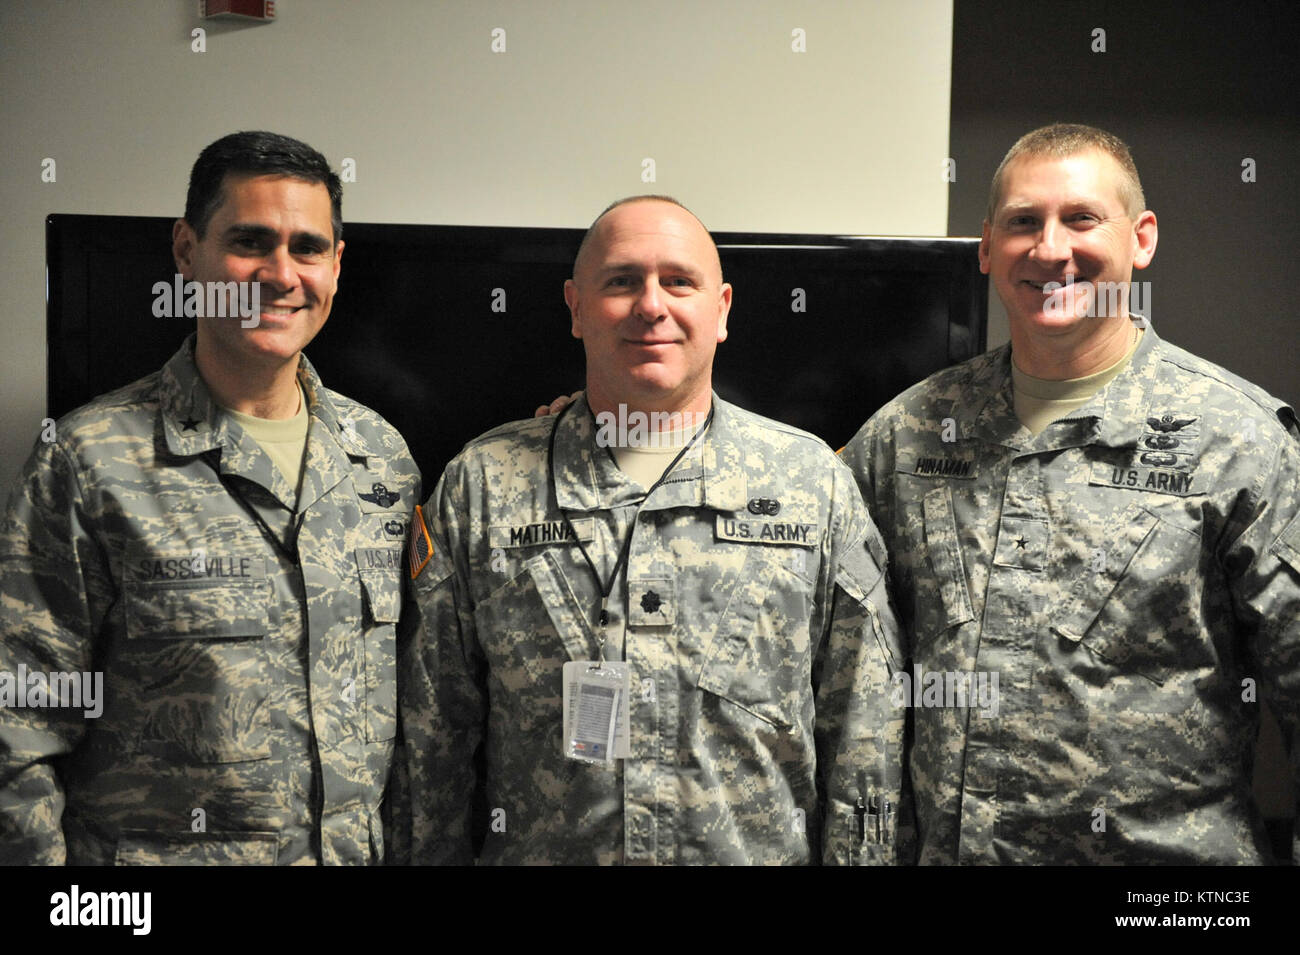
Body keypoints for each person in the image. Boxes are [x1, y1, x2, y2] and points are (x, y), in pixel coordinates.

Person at [840, 123, 1300, 864]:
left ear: (1141, 239)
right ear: (987, 247)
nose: (1050, 249)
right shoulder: (909, 434)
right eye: (1024, 222)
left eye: (1081, 218)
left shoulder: (1239, 441)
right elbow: (839, 654)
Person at [402, 196, 904, 864]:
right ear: (576, 307)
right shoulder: (483, 487)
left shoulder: (812, 484)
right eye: (621, 281)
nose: (650, 305)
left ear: (721, 309)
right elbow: (433, 739)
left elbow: (865, 726)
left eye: (679, 281)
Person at [0, 131, 420, 865]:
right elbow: (19, 727)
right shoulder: (88, 460)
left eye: (308, 248)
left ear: (336, 265)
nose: (281, 274)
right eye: (250, 241)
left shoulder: (380, 457)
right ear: (187, 251)